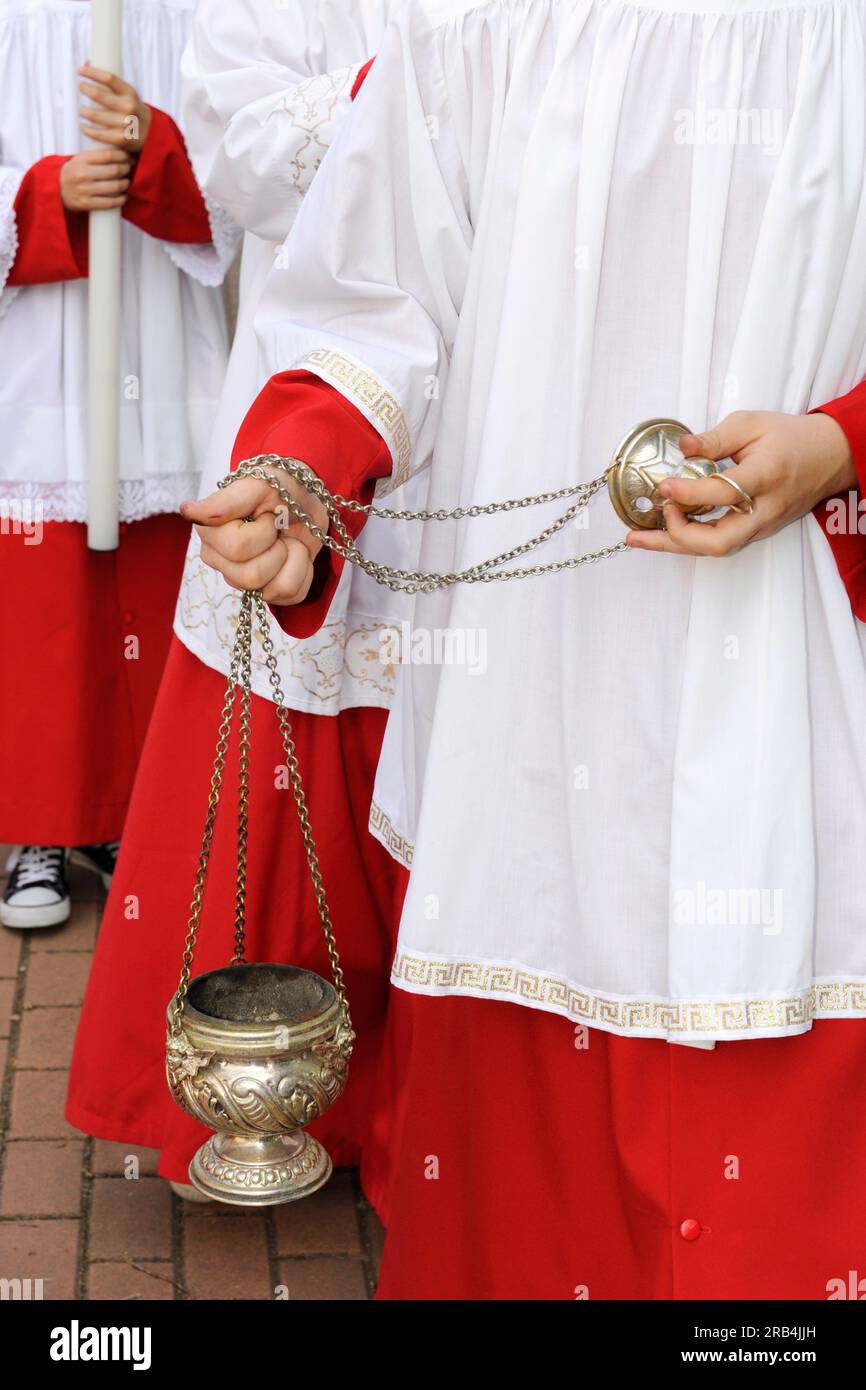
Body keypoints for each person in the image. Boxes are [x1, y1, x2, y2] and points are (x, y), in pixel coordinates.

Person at [185, 0, 866, 1297]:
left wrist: (837, 441)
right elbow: (373, 295)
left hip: (791, 681)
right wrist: (303, 473)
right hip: (528, 712)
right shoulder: (483, 20)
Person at [66, 0, 411, 1205]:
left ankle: (441, 1105)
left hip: (484, 410)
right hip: (308, 383)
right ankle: (304, 1089)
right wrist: (422, 96)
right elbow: (240, 159)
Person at [0, 0, 238, 929]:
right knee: (43, 609)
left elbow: (236, 177)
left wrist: (154, 152)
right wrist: (43, 197)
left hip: (159, 355)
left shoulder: (187, 14)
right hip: (32, 365)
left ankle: (136, 817)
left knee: (149, 588)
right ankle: (38, 829)